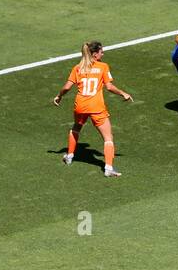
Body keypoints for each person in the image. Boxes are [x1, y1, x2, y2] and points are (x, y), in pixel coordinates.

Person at [53, 41, 133, 178]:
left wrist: (59, 96)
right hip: (96, 107)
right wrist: (123, 93)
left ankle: (70, 156)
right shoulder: (103, 67)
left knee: (76, 128)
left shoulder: (78, 68)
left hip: (80, 106)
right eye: (101, 52)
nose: (103, 53)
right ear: (95, 55)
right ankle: (108, 168)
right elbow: (109, 87)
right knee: (108, 137)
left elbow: (66, 87)